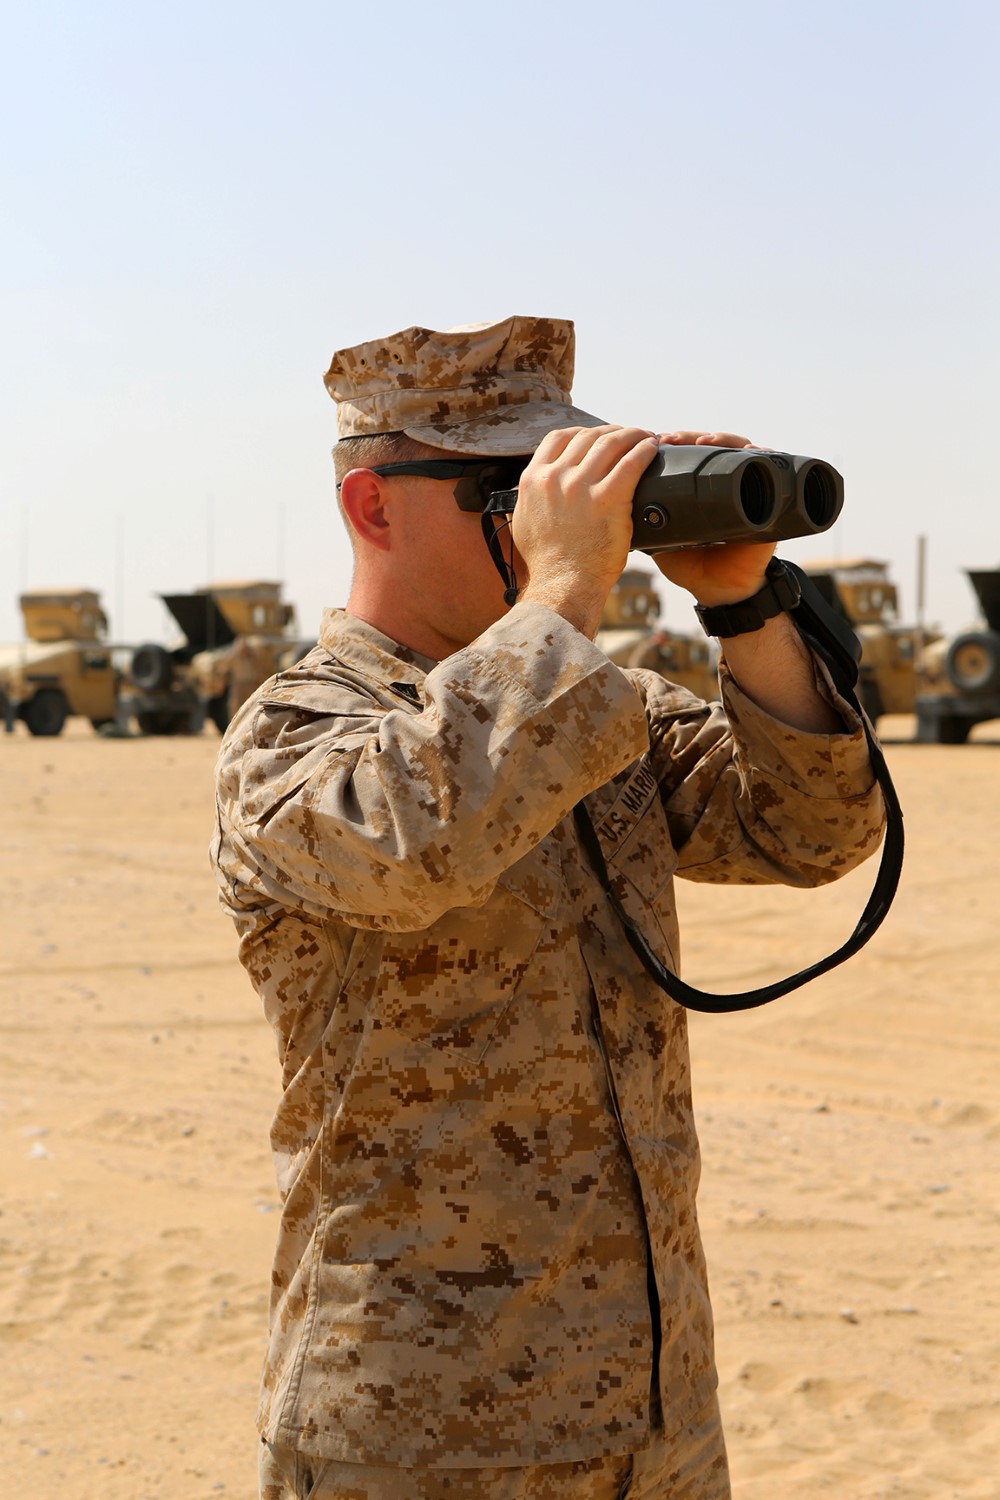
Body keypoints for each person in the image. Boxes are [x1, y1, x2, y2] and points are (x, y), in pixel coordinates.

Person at [211, 316, 885, 1500]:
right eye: (507, 488)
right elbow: (408, 844)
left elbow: (807, 830)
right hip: (416, 1427)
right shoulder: (296, 732)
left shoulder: (589, 696)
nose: (557, 514)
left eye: (569, 478)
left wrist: (739, 603)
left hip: (651, 1404)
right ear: (373, 508)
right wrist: (566, 585)